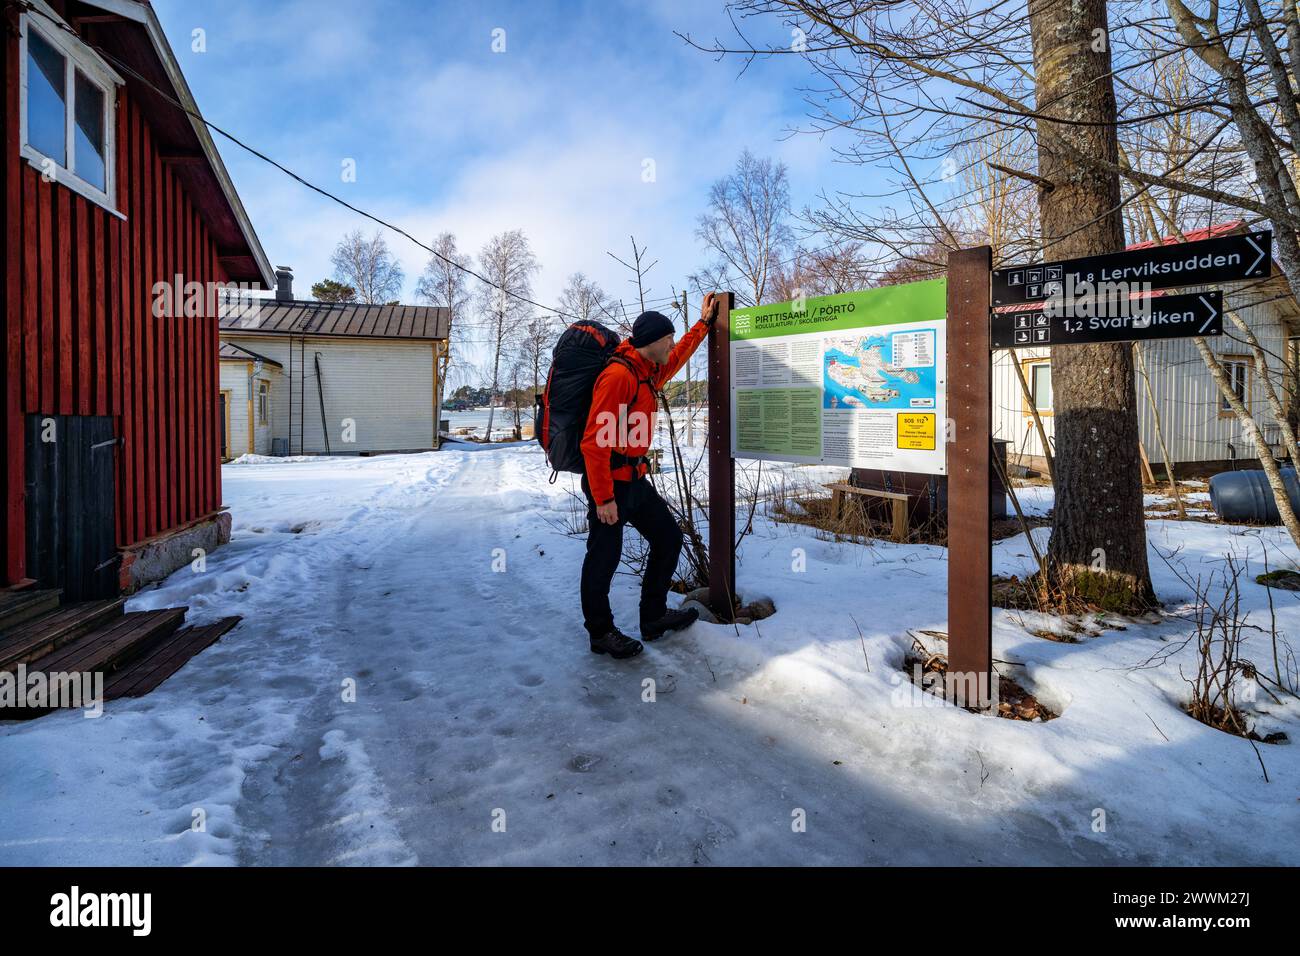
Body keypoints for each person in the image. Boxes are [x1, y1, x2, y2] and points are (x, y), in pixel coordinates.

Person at [578, 292, 721, 658]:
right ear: (653, 341)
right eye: (667, 338)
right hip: (609, 484)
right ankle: (601, 632)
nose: (671, 344)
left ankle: (653, 615)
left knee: (668, 538)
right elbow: (594, 444)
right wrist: (604, 498)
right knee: (603, 558)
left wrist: (703, 325)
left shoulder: (648, 371)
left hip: (634, 482)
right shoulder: (618, 378)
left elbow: (680, 354)